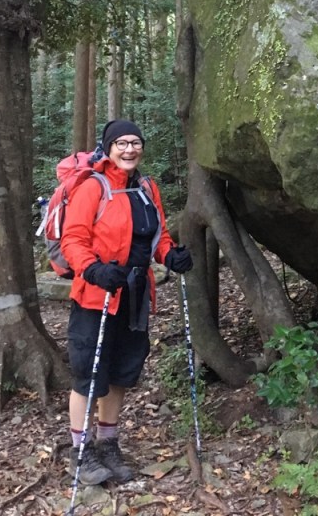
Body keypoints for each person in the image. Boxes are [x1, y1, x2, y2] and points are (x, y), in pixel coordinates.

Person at [61, 119, 193, 485]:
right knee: (89, 373)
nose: (130, 149)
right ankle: (80, 451)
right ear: (109, 147)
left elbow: (158, 236)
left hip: (135, 294)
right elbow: (73, 239)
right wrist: (92, 269)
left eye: (136, 142)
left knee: (121, 371)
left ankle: (108, 443)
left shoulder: (148, 188)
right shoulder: (93, 188)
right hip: (96, 294)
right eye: (121, 143)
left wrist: (171, 256)